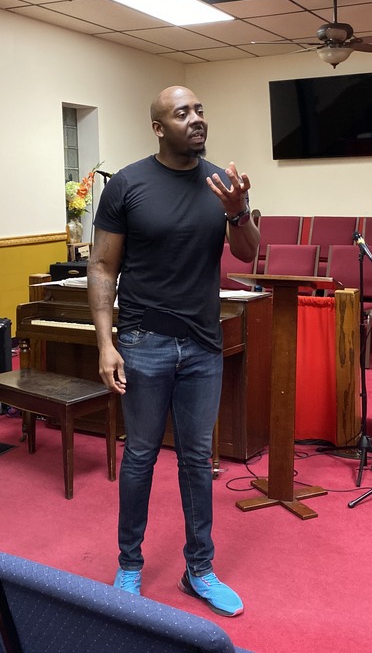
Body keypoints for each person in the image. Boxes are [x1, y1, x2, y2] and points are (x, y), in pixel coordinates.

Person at [87, 85, 260, 617]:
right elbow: (102, 266)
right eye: (182, 113)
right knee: (140, 457)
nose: (196, 119)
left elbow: (248, 254)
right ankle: (129, 566)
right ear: (159, 128)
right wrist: (106, 342)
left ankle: (199, 570)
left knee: (196, 461)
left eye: (199, 110)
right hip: (144, 342)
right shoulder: (127, 185)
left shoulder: (221, 184)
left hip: (204, 344)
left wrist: (238, 211)